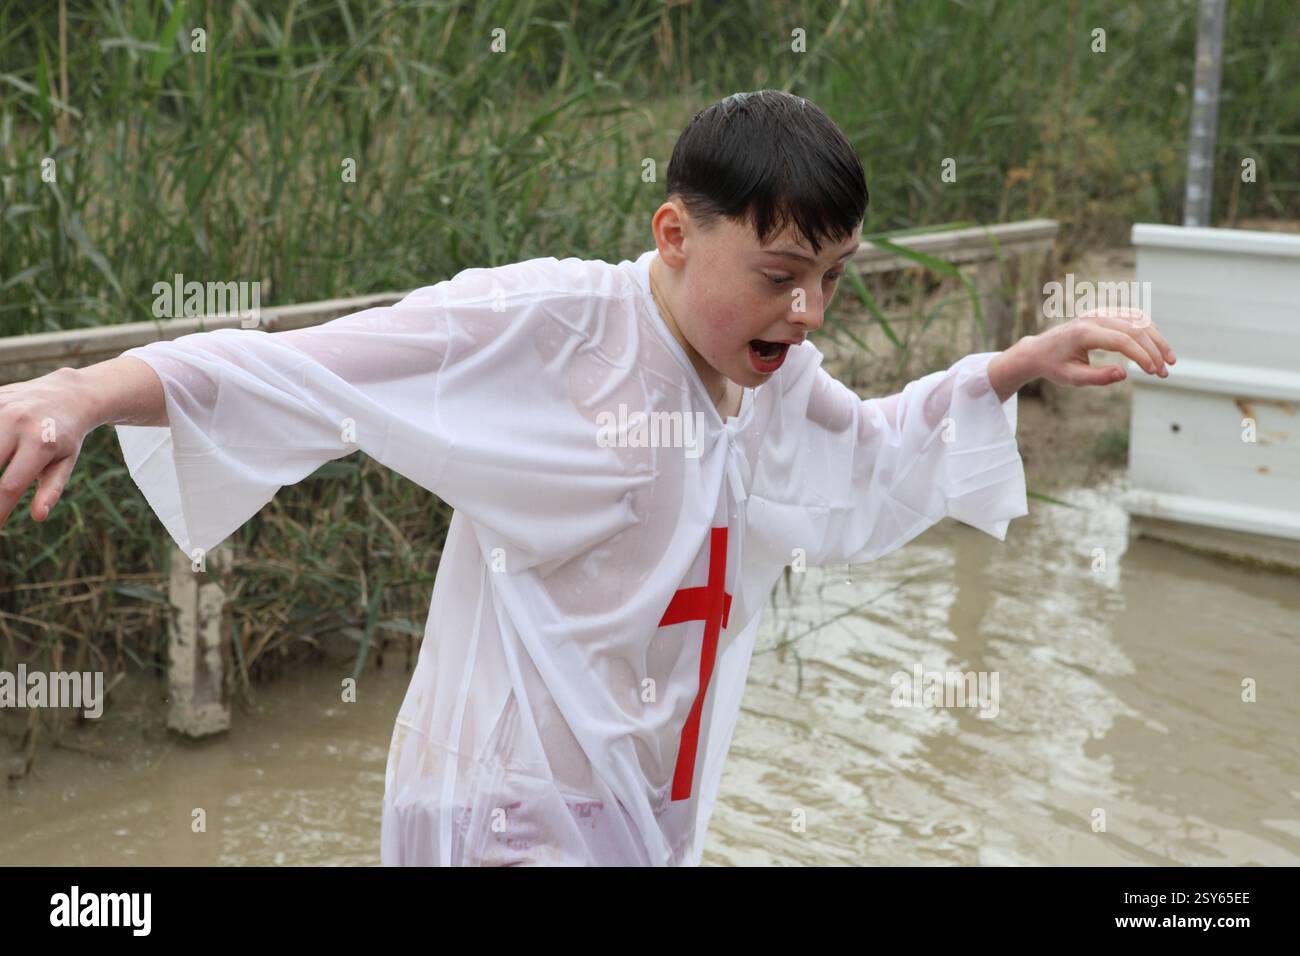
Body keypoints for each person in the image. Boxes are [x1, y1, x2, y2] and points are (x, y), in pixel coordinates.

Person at [0, 90, 1174, 865]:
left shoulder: (769, 372)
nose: (808, 311)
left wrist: (1013, 366)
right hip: (504, 816)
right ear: (673, 233)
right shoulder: (547, 329)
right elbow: (306, 370)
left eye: (832, 275)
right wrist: (81, 393)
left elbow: (866, 450)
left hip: (635, 814)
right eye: (776, 273)